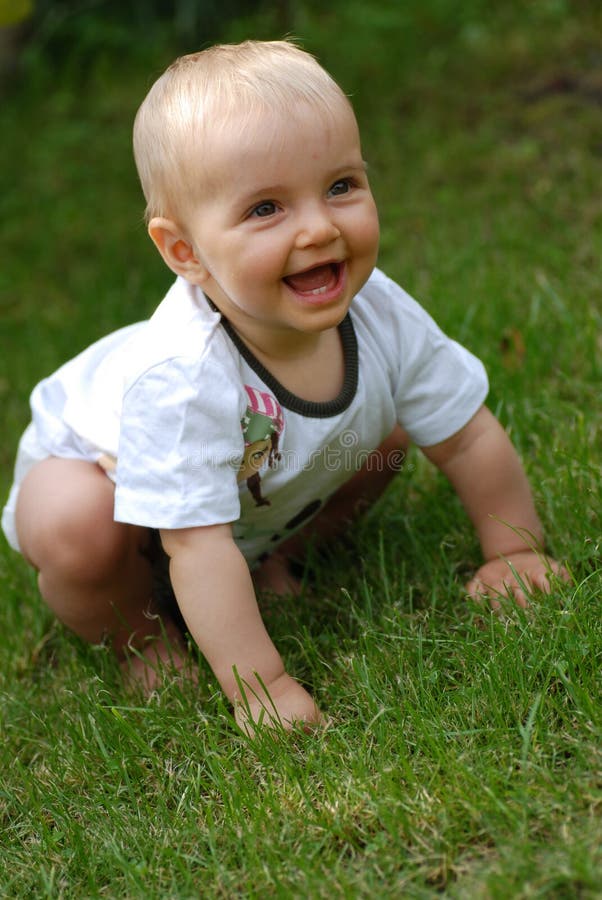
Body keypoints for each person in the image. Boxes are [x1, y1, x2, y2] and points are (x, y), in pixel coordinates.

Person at [1, 40, 567, 733]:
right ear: (185, 253)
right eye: (267, 208)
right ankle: (143, 639)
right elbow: (194, 543)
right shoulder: (184, 378)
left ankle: (275, 559)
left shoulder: (380, 311)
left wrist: (515, 551)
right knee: (74, 526)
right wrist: (260, 686)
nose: (320, 227)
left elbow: (467, 433)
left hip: (249, 484)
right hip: (118, 491)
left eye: (341, 186)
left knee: (387, 435)